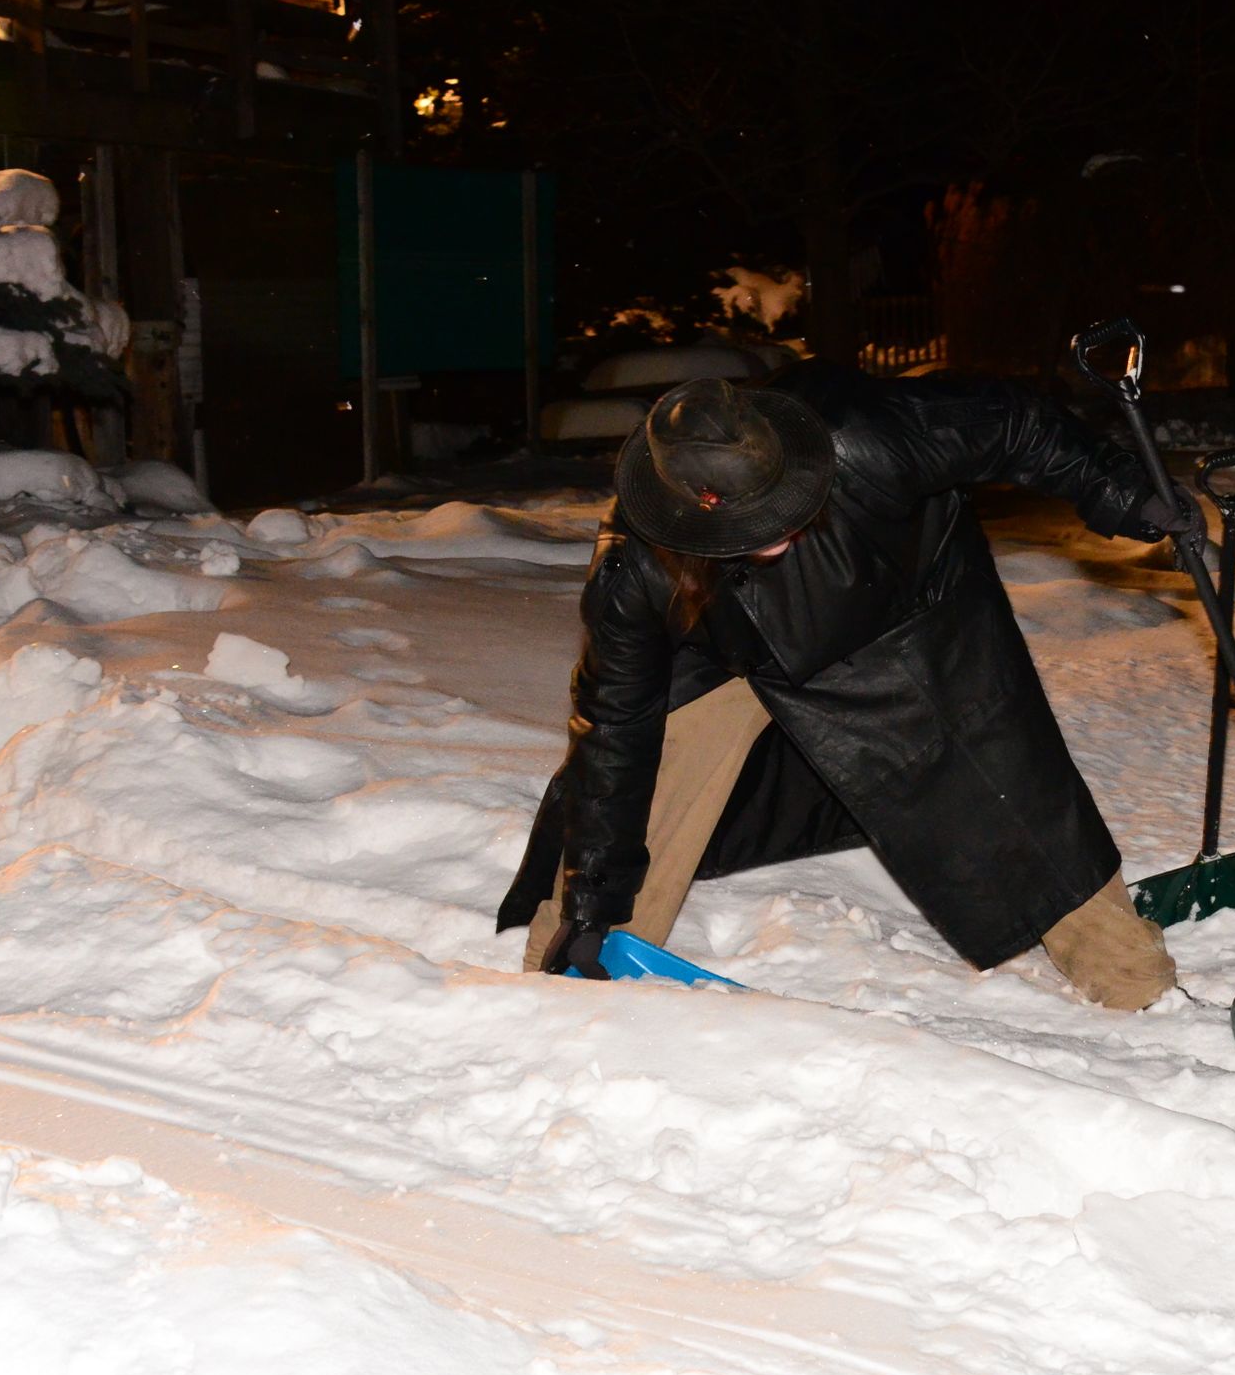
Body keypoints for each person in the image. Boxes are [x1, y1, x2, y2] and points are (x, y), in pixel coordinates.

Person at [498, 369, 1198, 1010]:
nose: (773, 530)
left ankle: (1130, 984)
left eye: (778, 506)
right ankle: (570, 983)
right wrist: (590, 907)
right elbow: (614, 731)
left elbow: (1017, 423)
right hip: (735, 652)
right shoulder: (637, 569)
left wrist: (1124, 491)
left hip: (906, 621)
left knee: (1011, 795)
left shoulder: (864, 434)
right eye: (744, 524)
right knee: (652, 767)